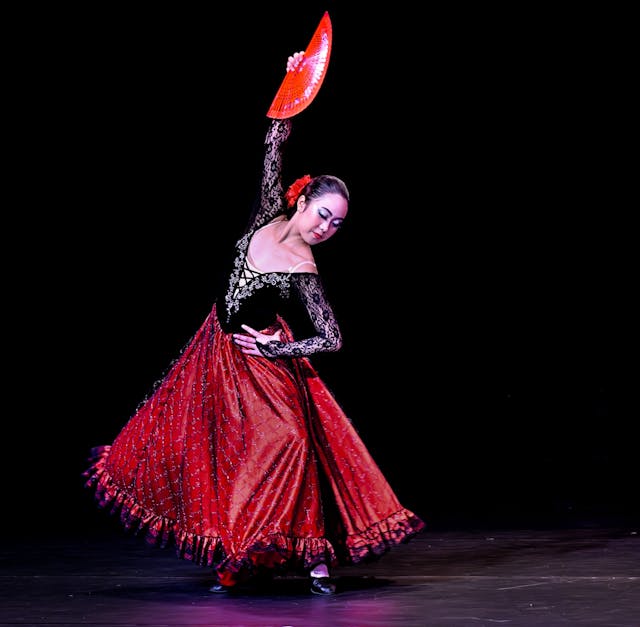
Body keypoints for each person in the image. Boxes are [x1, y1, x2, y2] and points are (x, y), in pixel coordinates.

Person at [84, 51, 425, 594]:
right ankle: (238, 553)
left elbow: (331, 337)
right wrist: (295, 82)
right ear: (303, 200)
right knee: (214, 454)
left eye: (337, 224)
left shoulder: (304, 268)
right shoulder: (267, 213)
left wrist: (274, 350)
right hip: (214, 352)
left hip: (261, 364)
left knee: (289, 444)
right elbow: (273, 141)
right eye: (323, 214)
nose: (326, 229)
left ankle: (307, 557)